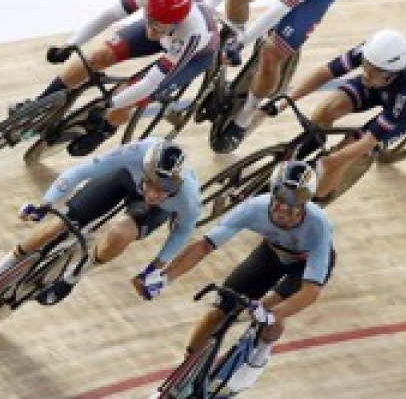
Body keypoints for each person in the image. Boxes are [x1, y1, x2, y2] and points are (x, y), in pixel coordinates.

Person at [140, 160, 335, 394]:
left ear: (305, 204)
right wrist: (166, 277)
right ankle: (184, 373)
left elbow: (310, 291)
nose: (283, 209)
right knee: (217, 313)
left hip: (303, 266)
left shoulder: (319, 226)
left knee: (271, 309)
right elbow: (204, 246)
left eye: (292, 206)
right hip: (271, 254)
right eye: (279, 201)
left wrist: (273, 315)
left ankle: (261, 353)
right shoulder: (254, 208)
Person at [0, 138, 201, 307]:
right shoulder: (136, 153)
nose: (156, 194)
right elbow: (81, 171)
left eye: (165, 189)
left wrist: (154, 267)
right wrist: (46, 203)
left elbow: (181, 232)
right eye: (153, 185)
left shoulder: (188, 199)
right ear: (145, 170)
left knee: (120, 233)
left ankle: (72, 277)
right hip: (125, 179)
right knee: (59, 223)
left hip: (157, 211)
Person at [204, 0, 348, 154]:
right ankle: (232, 43)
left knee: (272, 53)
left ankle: (245, 117)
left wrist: (243, 42)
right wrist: (206, 10)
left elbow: (282, 6)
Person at [30, 0, 219, 157]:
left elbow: (149, 83)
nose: (152, 31)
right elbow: (109, 15)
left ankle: (105, 129)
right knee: (98, 56)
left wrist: (110, 105)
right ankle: (40, 105)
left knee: (129, 92)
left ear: (177, 23)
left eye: (158, 27)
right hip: (167, 31)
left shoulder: (193, 34)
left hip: (194, 57)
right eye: (150, 20)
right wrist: (71, 44)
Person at [267, 29, 406, 199]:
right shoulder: (372, 53)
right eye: (365, 66)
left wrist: (331, 161)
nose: (365, 75)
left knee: (342, 157)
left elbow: (368, 141)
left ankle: (318, 199)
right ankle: (312, 142)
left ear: (389, 75)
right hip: (380, 87)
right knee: (325, 111)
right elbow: (325, 73)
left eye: (372, 72)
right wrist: (284, 102)